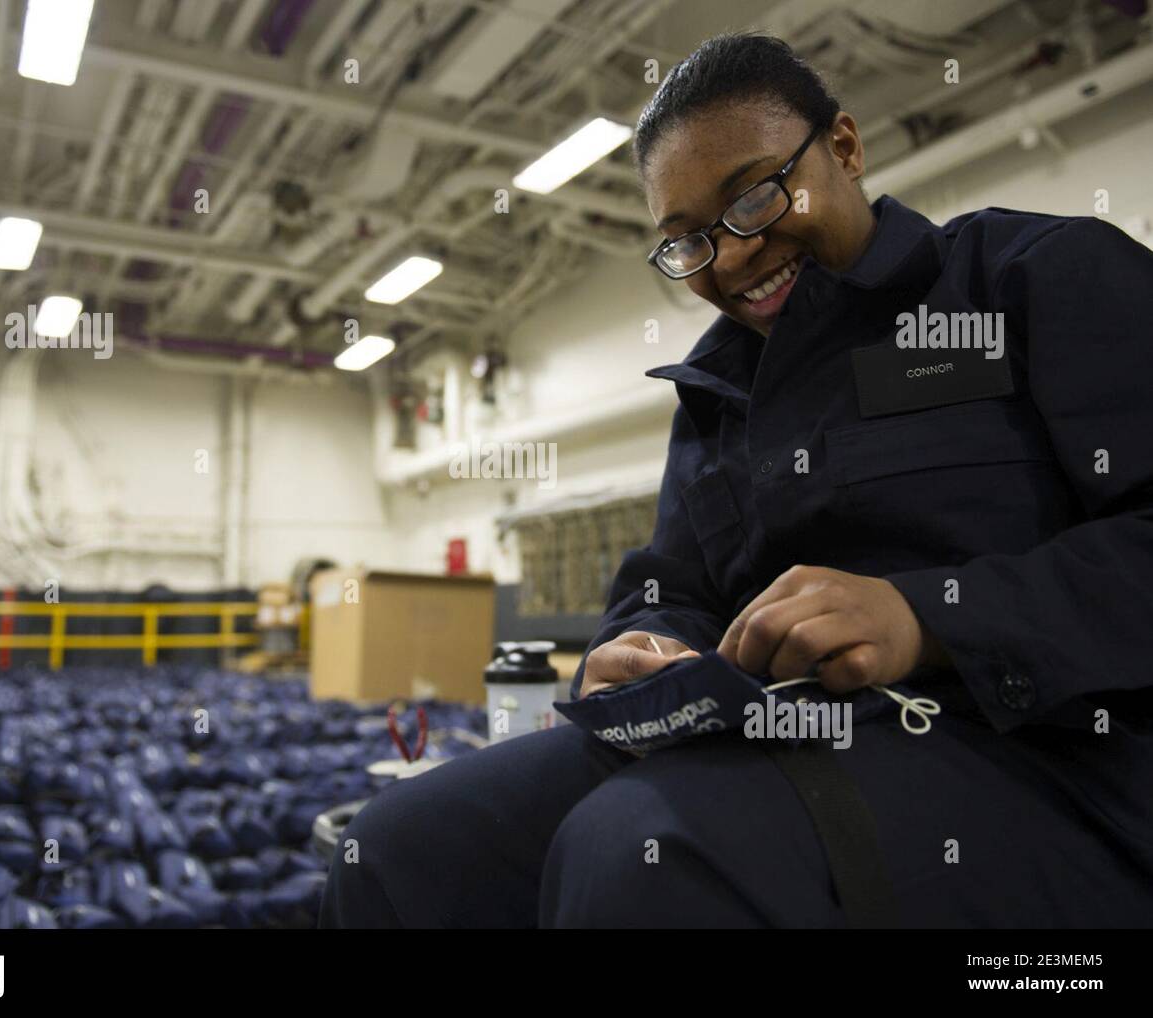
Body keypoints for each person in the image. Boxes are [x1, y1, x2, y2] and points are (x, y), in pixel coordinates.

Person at [319, 33, 1153, 928]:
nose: (728, 259)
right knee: (401, 848)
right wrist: (642, 646)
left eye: (753, 197)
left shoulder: (1034, 279)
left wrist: (929, 617)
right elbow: (672, 588)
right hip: (789, 737)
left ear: (843, 148)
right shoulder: (716, 393)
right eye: (684, 242)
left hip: (1051, 764)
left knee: (645, 853)